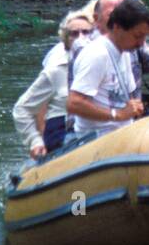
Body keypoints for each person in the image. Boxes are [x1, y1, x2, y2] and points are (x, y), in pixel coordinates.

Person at [66, 0, 149, 138]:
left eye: (144, 37)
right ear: (117, 27)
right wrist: (117, 115)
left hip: (121, 133)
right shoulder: (97, 55)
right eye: (137, 36)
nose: (141, 43)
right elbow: (74, 103)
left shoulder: (125, 52)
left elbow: (124, 102)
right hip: (96, 138)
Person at [12, 9, 94, 159]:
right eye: (74, 34)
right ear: (66, 40)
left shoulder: (107, 62)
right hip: (61, 132)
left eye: (86, 32)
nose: (81, 38)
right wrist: (35, 141)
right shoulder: (55, 70)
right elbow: (22, 109)